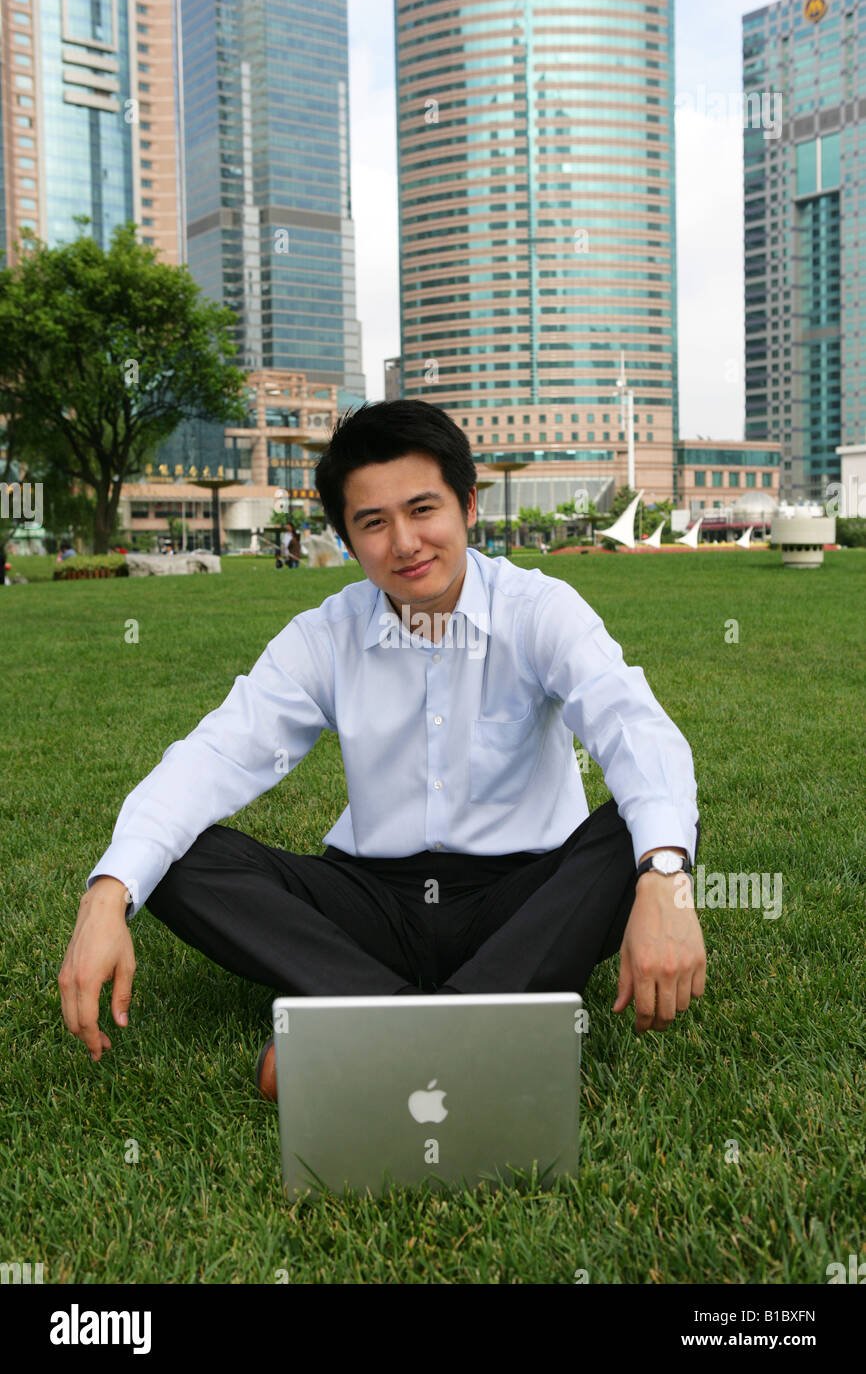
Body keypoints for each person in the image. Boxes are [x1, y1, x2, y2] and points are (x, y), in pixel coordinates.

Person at [60, 400, 705, 1103]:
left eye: (423, 509)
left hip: (524, 902)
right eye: (373, 522)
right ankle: (449, 1032)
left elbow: (635, 730)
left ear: (466, 504)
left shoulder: (538, 610)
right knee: (175, 857)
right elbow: (216, 756)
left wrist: (665, 880)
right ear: (346, 538)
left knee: (644, 834)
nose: (404, 543)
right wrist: (107, 895)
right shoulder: (326, 634)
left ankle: (383, 1035)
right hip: (373, 904)